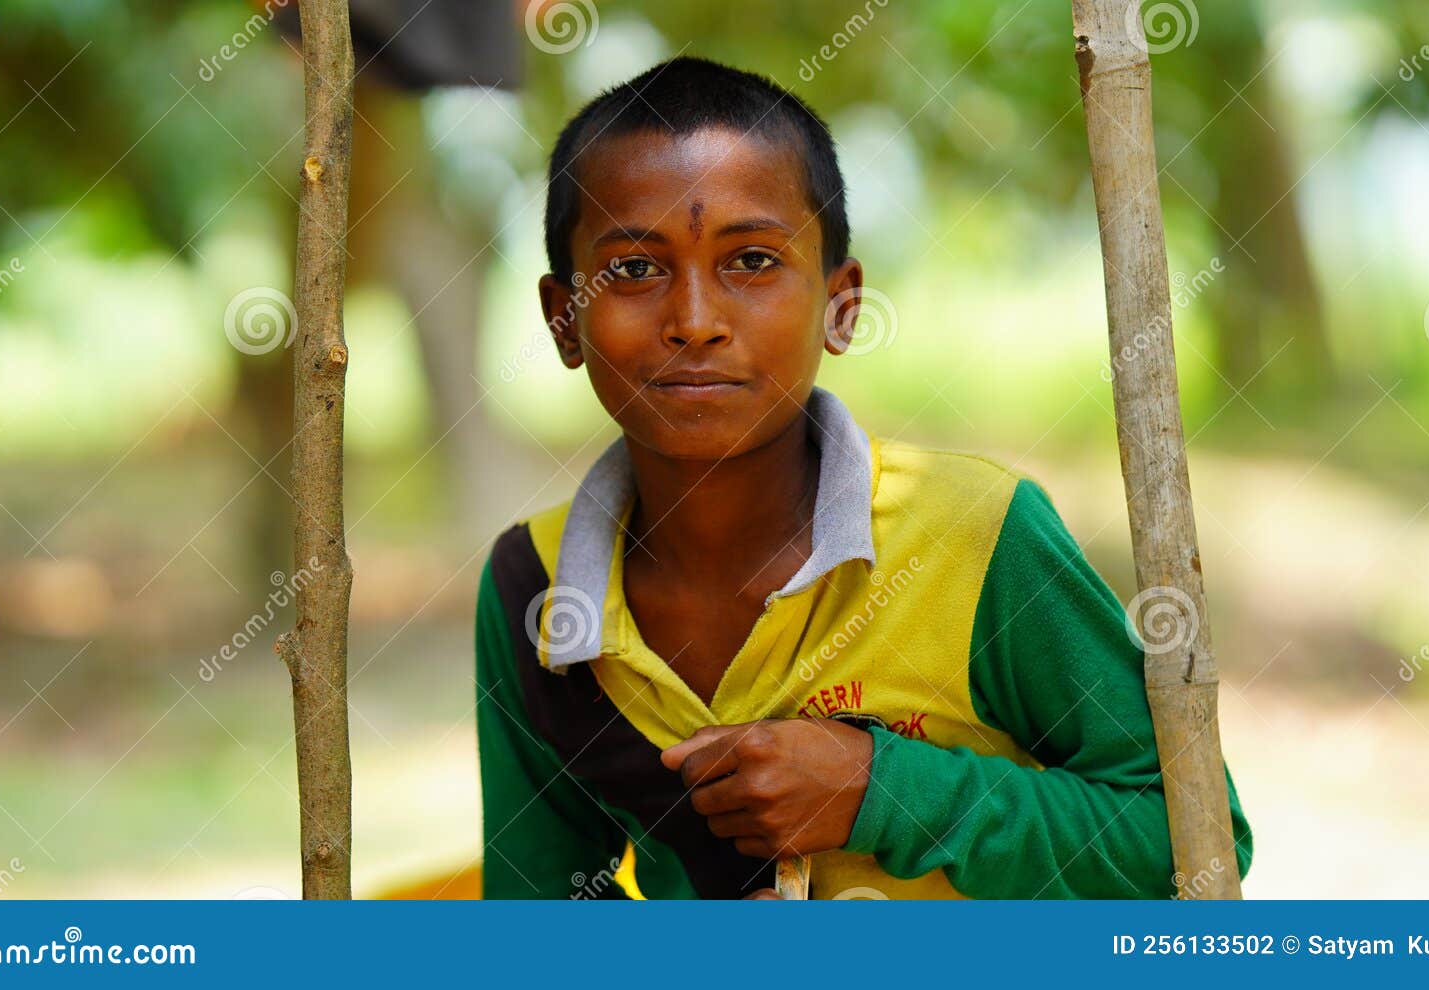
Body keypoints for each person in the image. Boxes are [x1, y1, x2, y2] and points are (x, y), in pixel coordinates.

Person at [474, 56, 1251, 899]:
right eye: (633, 270)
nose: (694, 322)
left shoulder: (977, 535)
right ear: (564, 319)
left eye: (753, 261)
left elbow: (1195, 843)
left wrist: (885, 792)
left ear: (841, 306)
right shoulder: (538, 589)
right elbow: (538, 907)